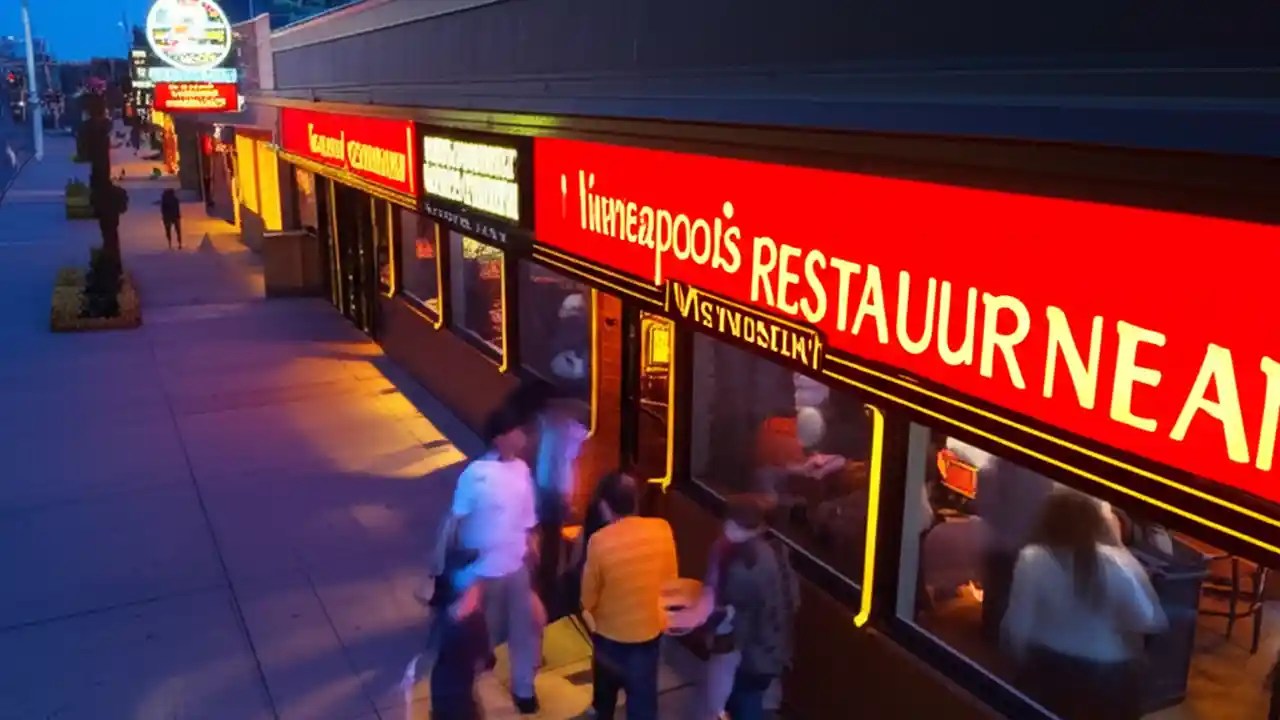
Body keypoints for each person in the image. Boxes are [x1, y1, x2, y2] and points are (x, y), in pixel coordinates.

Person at [1001, 490, 1167, 720]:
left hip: (1048, 670)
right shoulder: (1116, 563)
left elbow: (1017, 626)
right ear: (1096, 523)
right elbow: (1147, 620)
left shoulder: (1032, 558)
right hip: (1108, 675)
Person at [432, 404, 543, 714]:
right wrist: (441, 568)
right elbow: (455, 521)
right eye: (517, 430)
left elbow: (526, 517)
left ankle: (524, 690)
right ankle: (479, 693)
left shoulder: (522, 470)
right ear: (499, 438)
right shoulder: (476, 475)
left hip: (516, 566)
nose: (523, 436)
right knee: (484, 639)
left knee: (525, 630)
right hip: (482, 574)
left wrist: (531, 545)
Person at [581, 473, 678, 720]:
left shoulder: (599, 542)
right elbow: (670, 582)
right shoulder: (663, 529)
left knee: (604, 699)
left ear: (604, 505)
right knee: (643, 703)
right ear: (636, 501)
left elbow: (587, 597)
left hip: (610, 636)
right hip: (648, 634)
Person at [703, 497, 798, 720]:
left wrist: (712, 627)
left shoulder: (742, 567)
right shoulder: (776, 551)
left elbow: (732, 616)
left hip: (757, 655)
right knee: (742, 696)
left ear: (733, 525)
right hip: (777, 646)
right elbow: (794, 599)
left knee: (747, 699)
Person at [526, 380, 589, 618]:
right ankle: (549, 589)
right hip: (558, 489)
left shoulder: (547, 420)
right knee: (553, 536)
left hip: (543, 484)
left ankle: (545, 581)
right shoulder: (574, 430)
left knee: (548, 533)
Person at [425, 539, 495, 720]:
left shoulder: (447, 616)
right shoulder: (466, 622)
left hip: (444, 694)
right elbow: (484, 656)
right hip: (457, 702)